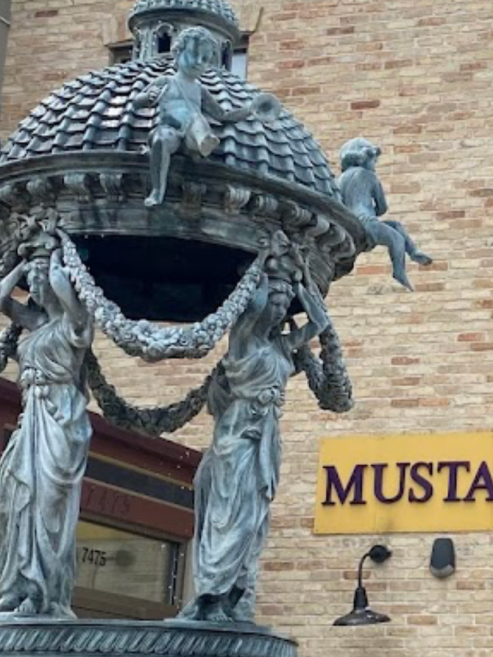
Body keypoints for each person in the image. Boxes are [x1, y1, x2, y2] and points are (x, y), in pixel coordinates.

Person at [179, 249, 330, 623]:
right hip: (238, 439)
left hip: (265, 440)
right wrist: (262, 268)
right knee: (230, 517)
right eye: (273, 304)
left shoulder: (279, 346)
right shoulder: (243, 339)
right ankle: (210, 595)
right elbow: (254, 302)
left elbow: (317, 325)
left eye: (283, 306)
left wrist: (302, 287)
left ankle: (234, 595)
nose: (278, 311)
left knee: (253, 519)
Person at [0, 233, 94, 618]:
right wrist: (24, 262)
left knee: (49, 501)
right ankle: (18, 584)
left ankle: (45, 592)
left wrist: (56, 259)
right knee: (18, 496)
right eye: (33, 282)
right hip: (32, 416)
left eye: (43, 279)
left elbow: (64, 293)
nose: (37, 285)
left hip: (61, 418)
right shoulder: (34, 320)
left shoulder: (77, 322)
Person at [133, 26, 276, 208]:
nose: (199, 62)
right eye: (194, 54)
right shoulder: (166, 82)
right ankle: (157, 190)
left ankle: (204, 140)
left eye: (205, 59)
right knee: (162, 139)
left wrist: (249, 109)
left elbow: (223, 116)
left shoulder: (200, 90)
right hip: (170, 131)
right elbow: (137, 102)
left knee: (195, 116)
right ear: (177, 52)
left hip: (190, 137)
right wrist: (149, 96)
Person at [337, 138, 433, 290]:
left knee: (395, 225)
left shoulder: (339, 180)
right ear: (365, 159)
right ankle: (399, 272)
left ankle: (414, 252)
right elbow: (382, 207)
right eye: (374, 161)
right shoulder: (369, 176)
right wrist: (370, 211)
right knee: (396, 239)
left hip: (348, 224)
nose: (374, 166)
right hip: (367, 221)